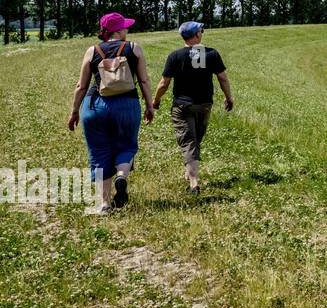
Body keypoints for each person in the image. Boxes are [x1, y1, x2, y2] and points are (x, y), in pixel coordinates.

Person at [68, 12, 154, 213]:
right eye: (124, 26)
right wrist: (150, 105)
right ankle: (122, 177)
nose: (127, 29)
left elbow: (81, 85)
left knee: (99, 153)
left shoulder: (92, 51)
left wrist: (74, 111)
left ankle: (104, 204)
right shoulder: (134, 48)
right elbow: (143, 80)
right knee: (126, 145)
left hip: (95, 105)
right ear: (117, 30)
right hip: (126, 103)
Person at [152, 22, 233, 196]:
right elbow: (222, 78)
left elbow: (164, 83)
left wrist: (155, 100)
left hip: (182, 106)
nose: (202, 33)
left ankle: (194, 182)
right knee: (194, 141)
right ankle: (191, 176)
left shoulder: (175, 56)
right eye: (201, 31)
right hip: (204, 105)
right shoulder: (211, 54)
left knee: (190, 142)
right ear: (196, 35)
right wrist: (228, 97)